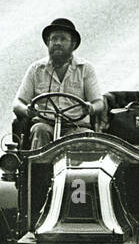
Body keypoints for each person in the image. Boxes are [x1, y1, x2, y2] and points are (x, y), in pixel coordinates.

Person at [12, 18, 105, 148]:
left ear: (73, 44)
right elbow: (17, 103)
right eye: (54, 39)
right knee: (39, 131)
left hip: (77, 126)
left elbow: (99, 103)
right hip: (45, 124)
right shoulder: (36, 69)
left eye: (63, 39)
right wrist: (27, 110)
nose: (57, 43)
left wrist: (90, 107)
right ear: (48, 43)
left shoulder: (85, 69)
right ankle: (38, 167)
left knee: (86, 138)